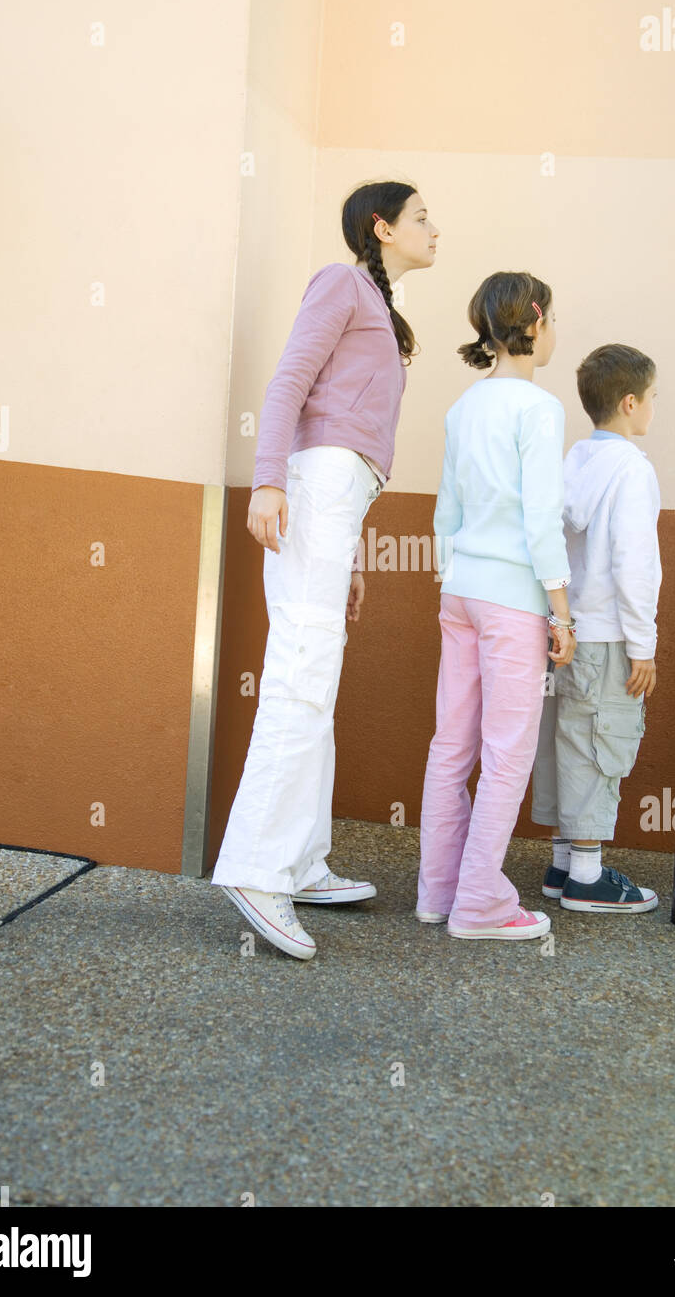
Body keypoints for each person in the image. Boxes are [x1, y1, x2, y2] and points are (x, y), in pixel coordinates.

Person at [211, 181, 440, 960]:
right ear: (380, 228)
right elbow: (289, 383)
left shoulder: (379, 304)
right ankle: (255, 868)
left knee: (319, 677)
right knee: (300, 674)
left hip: (336, 502)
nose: (432, 228)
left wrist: (345, 553)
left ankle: (301, 863)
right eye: (420, 217)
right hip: (311, 488)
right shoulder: (341, 281)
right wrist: (269, 479)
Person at [417, 271, 576, 941]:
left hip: (461, 594)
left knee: (450, 744)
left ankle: (439, 892)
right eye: (554, 319)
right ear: (534, 322)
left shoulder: (465, 406)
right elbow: (542, 521)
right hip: (512, 599)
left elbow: (444, 511)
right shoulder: (537, 411)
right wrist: (561, 611)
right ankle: (480, 905)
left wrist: (449, 576)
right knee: (505, 752)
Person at [531, 343, 661, 911]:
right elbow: (636, 564)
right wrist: (644, 646)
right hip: (609, 635)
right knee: (601, 742)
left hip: (568, 631)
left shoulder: (575, 460)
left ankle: (563, 865)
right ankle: (587, 877)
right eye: (653, 397)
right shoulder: (632, 469)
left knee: (566, 741)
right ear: (630, 403)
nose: (655, 408)